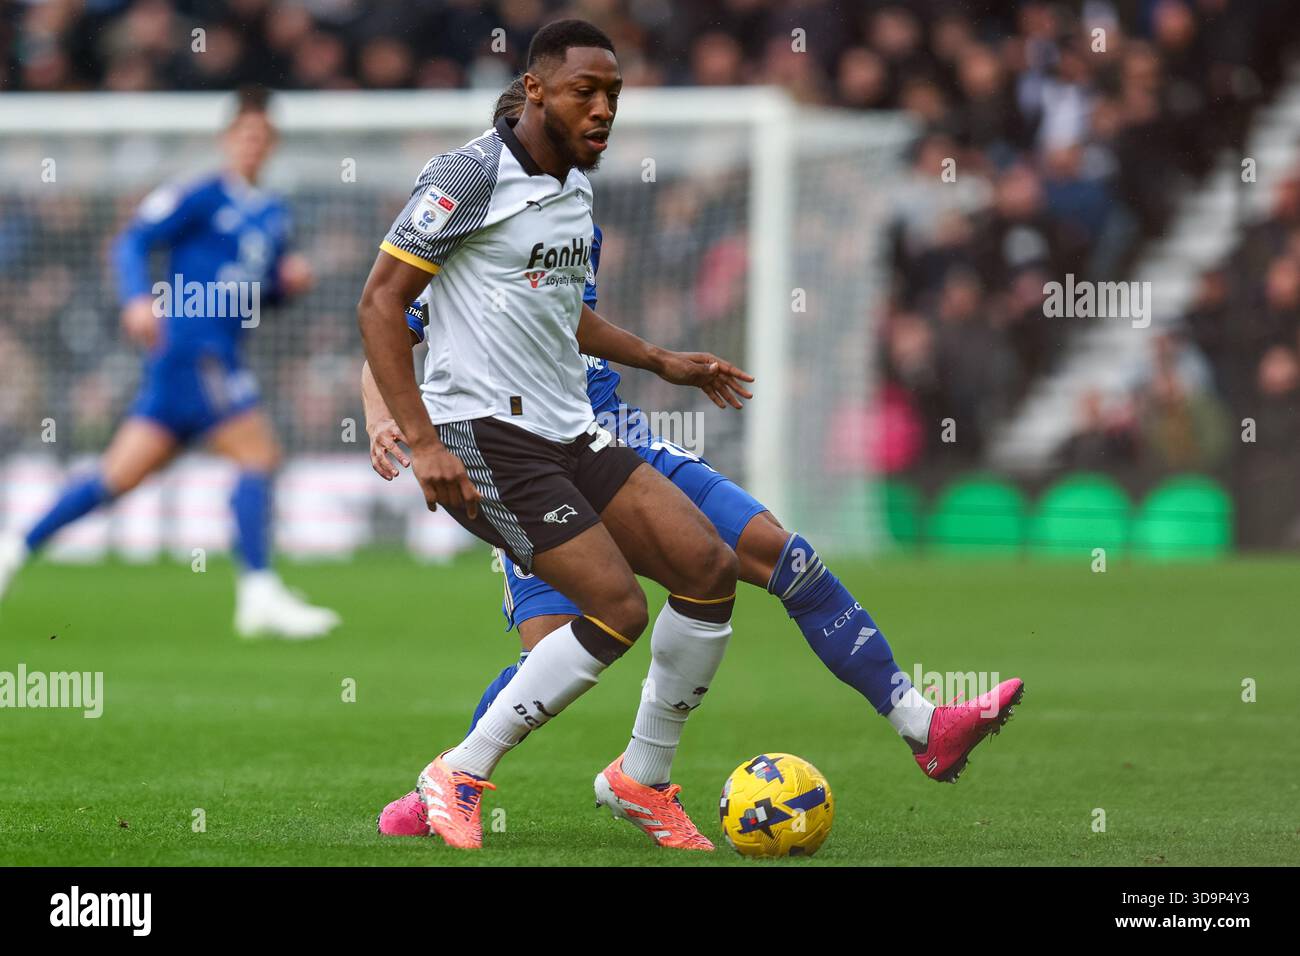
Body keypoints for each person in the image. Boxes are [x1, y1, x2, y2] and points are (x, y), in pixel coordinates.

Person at [364, 70, 1024, 847]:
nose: (593, 122)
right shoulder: (477, 203)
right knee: (559, 651)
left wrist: (660, 359)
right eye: (575, 105)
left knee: (778, 558)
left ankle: (921, 726)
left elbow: (573, 317)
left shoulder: (576, 215)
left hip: (605, 432)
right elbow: (391, 321)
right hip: (513, 447)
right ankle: (446, 782)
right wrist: (387, 420)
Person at [0, 87, 339, 641]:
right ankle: (258, 593)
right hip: (190, 348)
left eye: (261, 137)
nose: (252, 145)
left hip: (214, 354)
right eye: (243, 135)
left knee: (118, 476)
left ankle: (14, 547)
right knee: (258, 454)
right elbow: (130, 242)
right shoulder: (200, 196)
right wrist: (137, 299)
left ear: (271, 144)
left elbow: (256, 294)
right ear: (227, 140)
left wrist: (286, 286)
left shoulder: (274, 215)